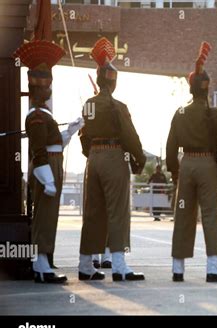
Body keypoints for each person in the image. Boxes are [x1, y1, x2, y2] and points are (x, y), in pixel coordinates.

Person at [166, 42, 217, 282]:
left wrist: (176, 173)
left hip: (186, 164)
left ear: (191, 89)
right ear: (206, 90)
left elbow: (170, 147)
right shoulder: (216, 114)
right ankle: (213, 268)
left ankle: (178, 269)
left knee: (183, 216)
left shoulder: (180, 112)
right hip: (208, 165)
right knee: (210, 215)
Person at [78, 37, 146, 281]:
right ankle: (119, 265)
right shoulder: (119, 106)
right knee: (117, 212)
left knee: (93, 212)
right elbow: (130, 136)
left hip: (93, 160)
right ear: (113, 82)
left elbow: (83, 136)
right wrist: (139, 160)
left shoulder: (88, 104)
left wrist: (92, 154)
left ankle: (85, 265)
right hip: (114, 156)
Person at [14, 40, 82, 283]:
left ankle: (42, 266)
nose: (49, 89)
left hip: (53, 162)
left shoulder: (44, 114)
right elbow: (40, 151)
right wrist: (48, 180)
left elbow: (54, 144)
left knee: (48, 216)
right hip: (48, 167)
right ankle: (41, 268)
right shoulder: (36, 116)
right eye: (46, 85)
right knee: (44, 216)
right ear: (38, 88)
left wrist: (71, 131)